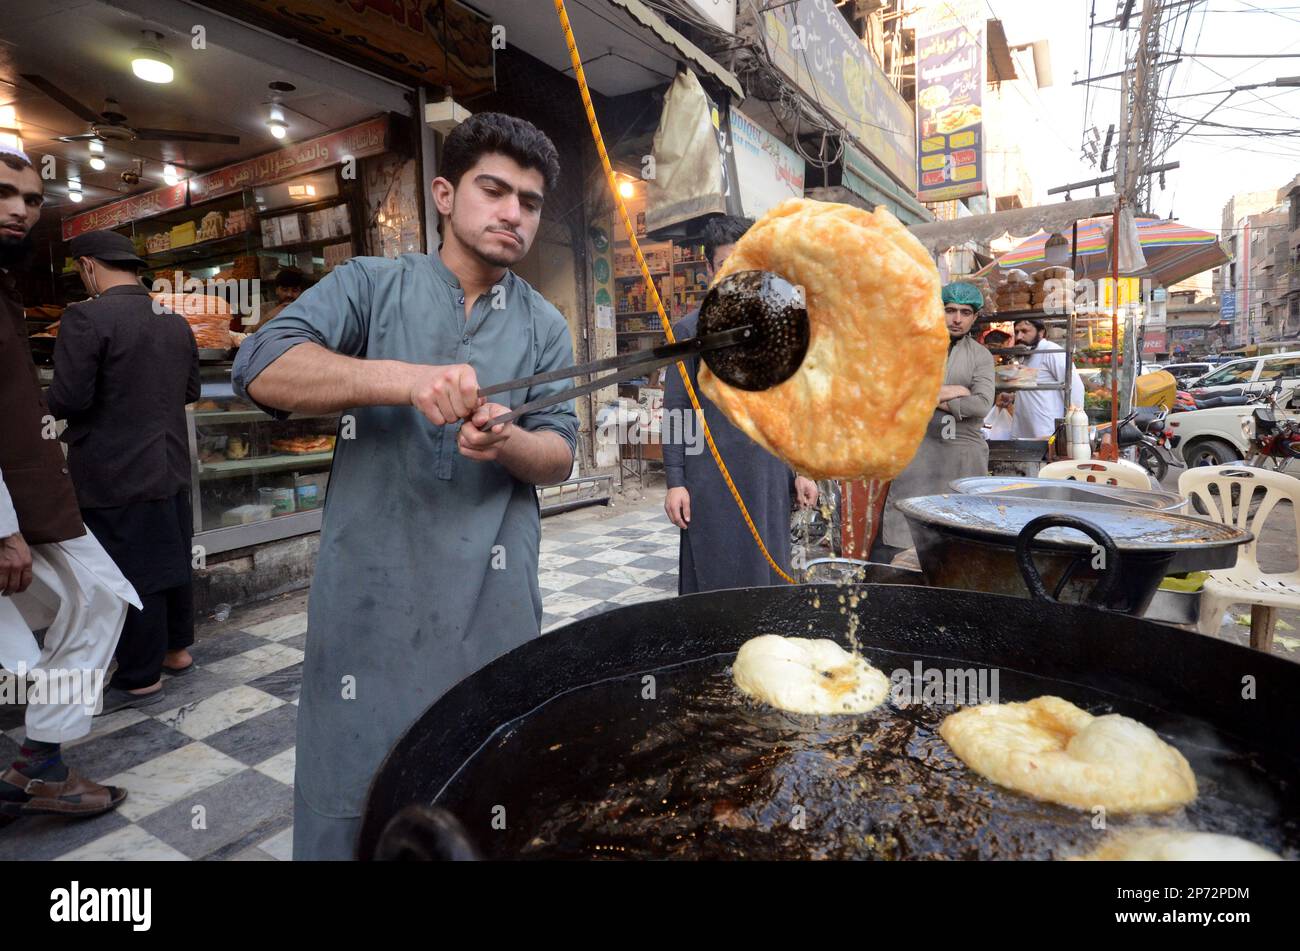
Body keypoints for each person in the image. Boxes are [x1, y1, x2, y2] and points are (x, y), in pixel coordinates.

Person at [232, 113, 578, 860]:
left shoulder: (547, 326)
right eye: (495, 190)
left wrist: (509, 440)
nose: (514, 212)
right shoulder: (371, 285)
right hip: (369, 611)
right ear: (445, 195)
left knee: (481, 803)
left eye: (530, 200)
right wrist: (406, 379)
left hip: (491, 611)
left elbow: (562, 453)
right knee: (353, 808)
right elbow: (261, 365)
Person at [0, 147, 140, 821]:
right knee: (96, 599)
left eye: (30, 198)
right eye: (4, 193)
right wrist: (2, 527)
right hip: (22, 505)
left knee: (95, 600)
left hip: (41, 498)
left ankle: (37, 763)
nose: (19, 209)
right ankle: (39, 764)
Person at [46, 229, 201, 714]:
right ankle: (177, 650)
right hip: (171, 462)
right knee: (172, 558)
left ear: (88, 266)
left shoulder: (85, 318)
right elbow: (191, 391)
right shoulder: (175, 320)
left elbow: (70, 399)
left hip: (114, 468)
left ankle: (138, 675)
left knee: (134, 571)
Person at [662, 216, 818, 592]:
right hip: (710, 477)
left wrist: (802, 469)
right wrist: (675, 481)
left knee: (769, 573)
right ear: (708, 269)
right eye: (725, 266)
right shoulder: (688, 331)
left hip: (768, 477)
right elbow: (677, 410)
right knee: (714, 579)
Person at [878, 281, 995, 557]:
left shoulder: (981, 356)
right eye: (950, 310)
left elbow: (980, 404)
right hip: (918, 453)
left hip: (963, 457)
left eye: (965, 313)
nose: (956, 319)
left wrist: (928, 397)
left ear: (974, 317)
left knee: (960, 545)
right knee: (904, 541)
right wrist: (956, 392)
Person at [1007, 318, 1085, 439]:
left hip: (1047, 431)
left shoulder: (1051, 351)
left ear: (1041, 332)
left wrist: (1073, 427)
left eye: (1024, 331)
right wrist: (1012, 397)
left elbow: (1075, 387)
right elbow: (1036, 387)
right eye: (1016, 332)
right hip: (1025, 430)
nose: (1019, 337)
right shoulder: (1026, 356)